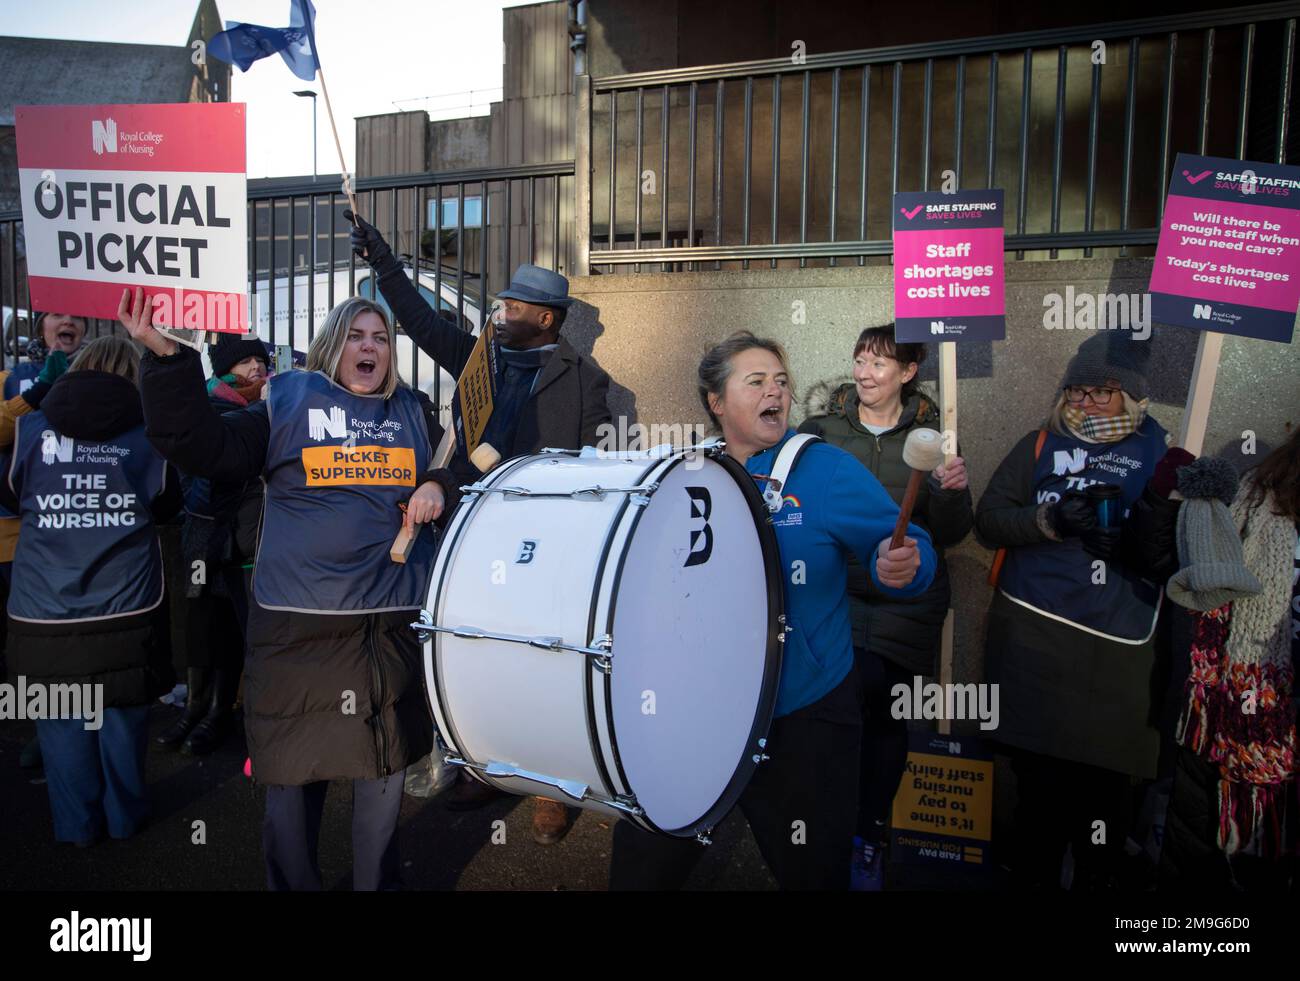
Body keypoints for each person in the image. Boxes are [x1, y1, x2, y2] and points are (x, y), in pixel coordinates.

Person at [119, 287, 460, 890]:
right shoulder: (285, 401)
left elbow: (457, 464)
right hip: (298, 633)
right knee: (292, 780)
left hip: (387, 629)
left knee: (381, 783)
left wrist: (437, 480)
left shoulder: (413, 409)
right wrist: (167, 360)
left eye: (380, 338)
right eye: (357, 336)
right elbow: (206, 448)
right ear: (332, 345)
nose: (370, 347)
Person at [608, 331, 937, 890]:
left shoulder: (824, 469)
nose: (776, 393)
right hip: (696, 717)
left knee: (812, 873)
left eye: (782, 382)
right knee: (642, 868)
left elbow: (909, 549)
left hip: (804, 714)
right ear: (716, 402)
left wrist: (904, 563)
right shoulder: (678, 474)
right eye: (756, 381)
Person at [347, 210, 615, 845]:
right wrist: (383, 260)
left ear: (546, 318)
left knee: (543, 660)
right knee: (474, 654)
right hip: (471, 533)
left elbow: (593, 465)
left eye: (513, 306)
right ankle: (488, 768)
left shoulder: (588, 382)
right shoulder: (480, 359)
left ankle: (552, 784)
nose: (499, 312)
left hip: (542, 541)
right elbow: (417, 319)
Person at [975, 332, 1172, 890]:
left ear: (1131, 397)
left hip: (1118, 651)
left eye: (1101, 393)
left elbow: (1181, 555)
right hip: (1036, 642)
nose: (1084, 403)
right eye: (1077, 391)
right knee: (1039, 807)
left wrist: (1137, 542)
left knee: (1103, 816)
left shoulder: (1164, 453)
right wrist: (1051, 521)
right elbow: (989, 522)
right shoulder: (1038, 444)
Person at [798, 324, 973, 889]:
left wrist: (952, 491)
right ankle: (819, 828)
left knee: (886, 716)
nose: (865, 373)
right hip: (833, 599)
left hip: (904, 606)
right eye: (859, 360)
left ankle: (869, 837)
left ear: (907, 372)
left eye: (879, 364)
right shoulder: (820, 434)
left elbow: (950, 534)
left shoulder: (933, 439)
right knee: (831, 718)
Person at [1, 335, 181, 846]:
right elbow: (168, 505)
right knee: (122, 727)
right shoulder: (149, 436)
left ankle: (77, 829)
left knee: (61, 729)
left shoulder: (30, 429)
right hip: (125, 608)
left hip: (42, 614)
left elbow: (12, 493)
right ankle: (124, 821)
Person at [1156, 429, 1300, 890]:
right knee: (1199, 861)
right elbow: (1184, 580)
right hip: (1228, 712)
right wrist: (1165, 501)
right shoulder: (1255, 503)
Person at [156, 333, 270, 756]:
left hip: (246, 539)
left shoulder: (271, 409)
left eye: (260, 360)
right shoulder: (207, 408)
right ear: (225, 368)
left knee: (232, 629)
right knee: (200, 623)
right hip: (205, 534)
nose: (256, 367)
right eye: (245, 362)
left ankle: (220, 711)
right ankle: (194, 707)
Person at [3, 311, 86, 398]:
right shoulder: (9, 378)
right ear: (41, 329)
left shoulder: (97, 373)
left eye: (77, 316)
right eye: (57, 314)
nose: (69, 321)